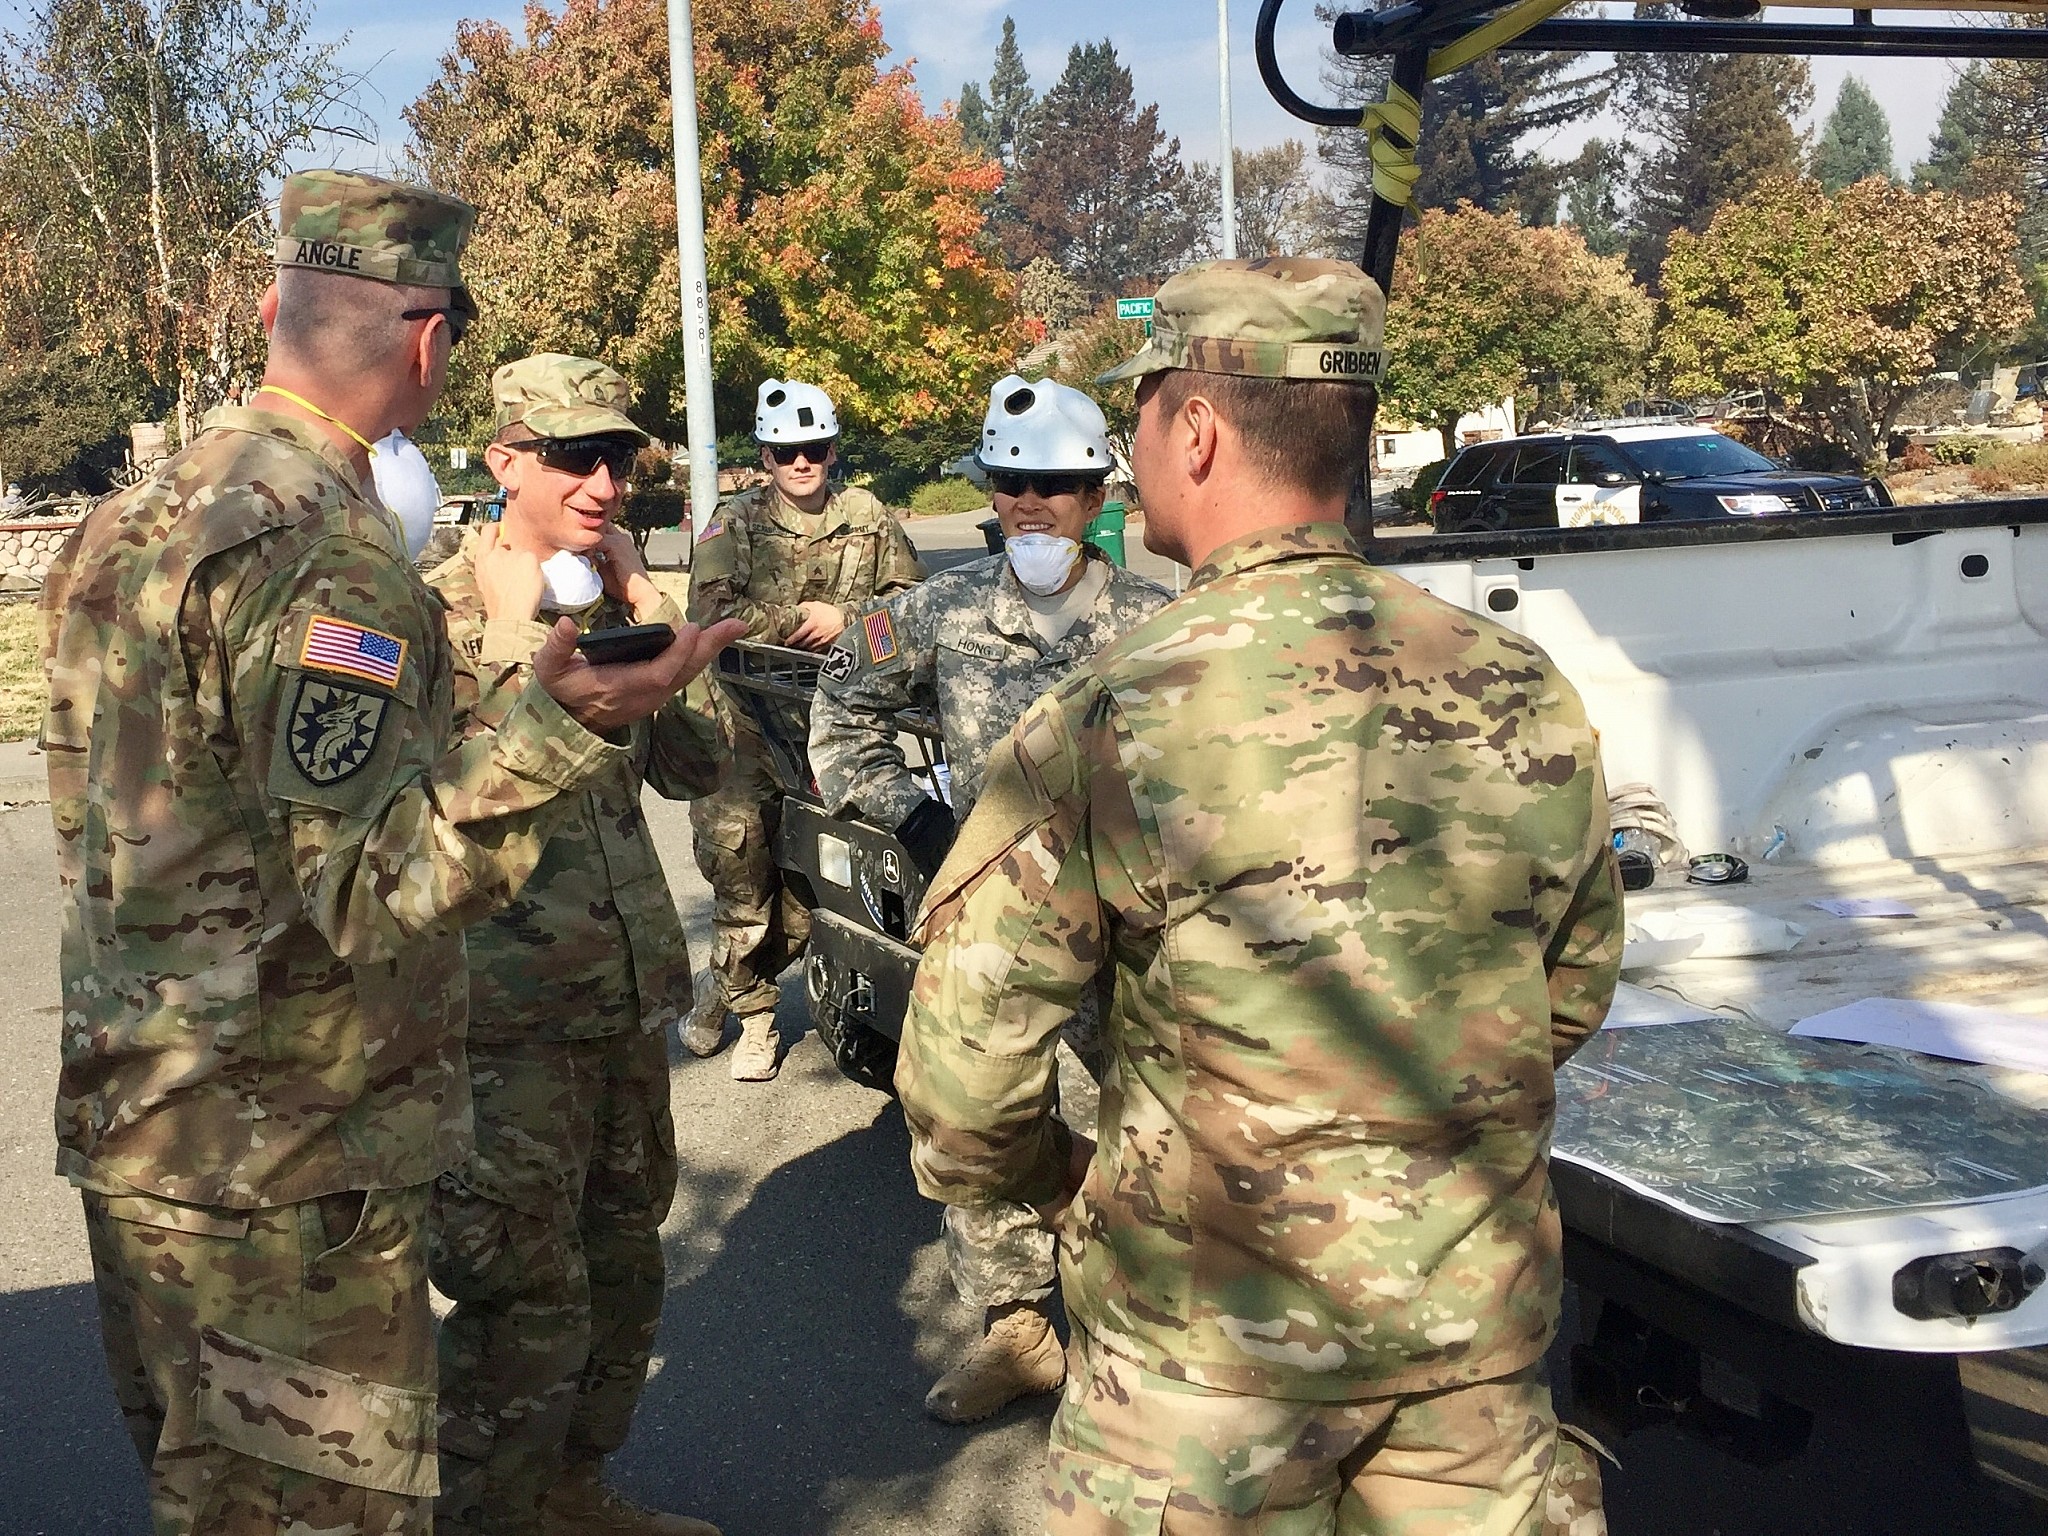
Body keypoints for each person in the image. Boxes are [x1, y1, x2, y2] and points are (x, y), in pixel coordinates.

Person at [38, 170, 740, 1536]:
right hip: (287, 1157)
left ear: (268, 310)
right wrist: (557, 723)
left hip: (149, 1123)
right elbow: (380, 890)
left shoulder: (132, 519)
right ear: (429, 344)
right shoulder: (328, 553)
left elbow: (96, 826)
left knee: (215, 1494)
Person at [894, 257, 1624, 1534]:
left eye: (1136, 415)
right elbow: (1569, 989)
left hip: (1204, 1382)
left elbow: (961, 1096)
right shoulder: (1520, 683)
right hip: (1472, 1353)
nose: (1125, 450)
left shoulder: (1115, 708)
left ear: (1196, 427)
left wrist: (1084, 1182)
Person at [807, 375, 1169, 1425]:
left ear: (1095, 489)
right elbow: (842, 705)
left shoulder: (1159, 623)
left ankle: (1129, 1339)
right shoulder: (940, 610)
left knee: (1139, 1128)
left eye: (1053, 484)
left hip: (1128, 930)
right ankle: (1014, 1331)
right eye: (1010, 484)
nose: (1029, 504)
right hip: (992, 928)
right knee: (981, 1116)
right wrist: (915, 824)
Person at [425, 354, 722, 1536]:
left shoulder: (612, 597)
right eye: (572, 455)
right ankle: (483, 1516)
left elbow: (702, 768)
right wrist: (518, 654)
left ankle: (571, 1493)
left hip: (618, 1002)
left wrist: (647, 601)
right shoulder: (427, 610)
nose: (604, 480)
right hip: (495, 1020)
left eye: (619, 458)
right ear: (503, 458)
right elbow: (415, 809)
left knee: (623, 1270)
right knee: (515, 1293)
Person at [683, 379, 925, 1081]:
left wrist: (849, 621)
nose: (800, 462)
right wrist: (798, 622)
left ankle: (729, 987)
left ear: (832, 450)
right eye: (786, 451)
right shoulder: (734, 522)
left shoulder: (869, 515)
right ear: (764, 453)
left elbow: (910, 604)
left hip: (840, 721)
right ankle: (755, 1019)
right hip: (746, 724)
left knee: (820, 881)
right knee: (742, 871)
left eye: (813, 449)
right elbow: (708, 616)